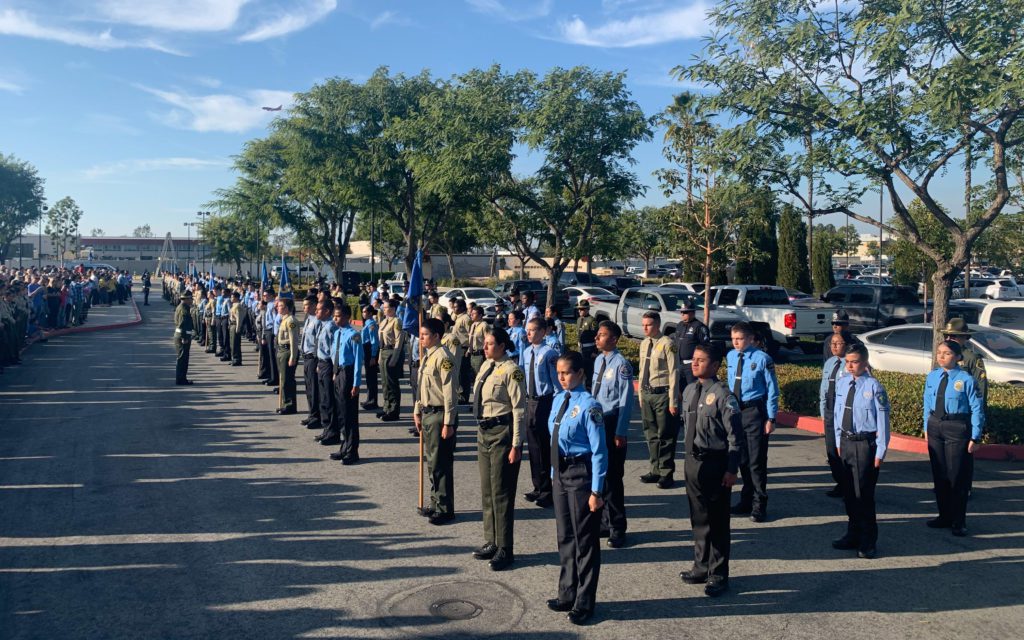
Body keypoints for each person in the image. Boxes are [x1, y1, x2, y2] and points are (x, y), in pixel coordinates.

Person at [546, 351, 608, 626]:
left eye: (567, 372)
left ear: (580, 373)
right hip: (560, 473)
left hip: (582, 475)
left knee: (585, 541)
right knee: (565, 537)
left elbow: (599, 451)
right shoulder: (559, 399)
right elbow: (554, 438)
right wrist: (552, 473)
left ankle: (584, 602)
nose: (561, 378)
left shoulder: (589, 405)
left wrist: (597, 491)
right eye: (558, 373)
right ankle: (567, 593)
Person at [680, 343, 743, 597]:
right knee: (699, 518)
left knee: (717, 521)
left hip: (717, 464)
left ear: (716, 366)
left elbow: (735, 438)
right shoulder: (688, 391)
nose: (695, 363)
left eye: (701, 360)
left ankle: (718, 573)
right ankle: (701, 565)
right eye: (693, 359)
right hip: (693, 463)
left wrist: (731, 469)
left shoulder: (724, 396)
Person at [472, 326, 526, 571]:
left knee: (501, 493)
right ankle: (491, 540)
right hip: (484, 431)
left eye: (490, 343)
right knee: (486, 490)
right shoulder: (486, 366)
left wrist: (516, 444)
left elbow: (519, 410)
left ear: (503, 346)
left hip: (502, 433)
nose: (485, 347)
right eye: (485, 343)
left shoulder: (512, 371)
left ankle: (506, 547)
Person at [832, 344, 890, 559]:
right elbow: (839, 414)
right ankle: (852, 534)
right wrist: (838, 440)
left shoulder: (874, 387)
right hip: (846, 442)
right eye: (847, 361)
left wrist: (880, 451)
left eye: (854, 362)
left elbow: (883, 421)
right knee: (848, 493)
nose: (850, 366)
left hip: (865, 445)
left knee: (863, 495)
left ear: (865, 363)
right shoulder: (843, 383)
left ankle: (868, 541)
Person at [923, 339, 985, 537]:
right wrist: (927, 425)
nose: (941, 356)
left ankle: (958, 520)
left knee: (956, 476)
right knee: (939, 474)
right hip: (935, 425)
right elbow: (927, 401)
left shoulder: (966, 380)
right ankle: (944, 516)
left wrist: (975, 436)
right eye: (939, 352)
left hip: (957, 427)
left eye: (947, 353)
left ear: (958, 357)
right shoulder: (932, 376)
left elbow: (977, 408)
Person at [726, 321, 780, 522]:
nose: (736, 343)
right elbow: (730, 382)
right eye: (733, 339)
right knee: (741, 459)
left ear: (750, 339)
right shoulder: (731, 356)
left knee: (756, 461)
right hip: (736, 411)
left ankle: (759, 504)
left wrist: (771, 417)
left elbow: (772, 389)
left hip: (755, 411)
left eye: (739, 339)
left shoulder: (763, 359)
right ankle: (746, 500)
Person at [591, 320, 634, 548]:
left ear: (614, 339)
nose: (597, 338)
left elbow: (626, 402)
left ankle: (618, 527)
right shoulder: (599, 360)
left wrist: (620, 431)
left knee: (614, 478)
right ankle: (606, 521)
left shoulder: (622, 365)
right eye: (597, 334)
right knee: (601, 474)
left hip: (612, 422)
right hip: (597, 422)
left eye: (603, 335)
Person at [414, 318, 459, 525]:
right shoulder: (428, 356)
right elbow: (422, 386)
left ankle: (445, 508)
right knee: (432, 463)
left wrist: (448, 423)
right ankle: (435, 503)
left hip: (440, 414)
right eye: (421, 334)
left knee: (440, 464)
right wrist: (417, 410)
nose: (421, 338)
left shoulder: (444, 357)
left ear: (436, 336)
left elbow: (450, 394)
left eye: (425, 335)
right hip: (428, 412)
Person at [638, 311, 680, 489]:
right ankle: (654, 470)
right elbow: (641, 370)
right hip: (647, 394)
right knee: (651, 434)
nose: (645, 328)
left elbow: (674, 372)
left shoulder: (667, 344)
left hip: (663, 395)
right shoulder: (644, 344)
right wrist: (640, 394)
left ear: (657, 325)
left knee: (666, 435)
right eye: (643, 325)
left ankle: (666, 473)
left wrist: (673, 400)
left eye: (648, 324)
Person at [521, 317, 560, 508]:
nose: (528, 333)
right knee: (533, 448)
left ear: (543, 332)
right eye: (527, 330)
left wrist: (558, 409)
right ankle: (537, 486)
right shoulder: (527, 352)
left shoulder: (550, 353)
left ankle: (548, 490)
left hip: (545, 403)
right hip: (530, 401)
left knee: (544, 448)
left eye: (533, 330)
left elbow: (557, 384)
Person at [819, 331, 853, 498]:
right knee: (831, 451)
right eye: (832, 343)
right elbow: (823, 389)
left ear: (846, 345)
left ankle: (849, 484)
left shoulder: (851, 364)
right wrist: (822, 411)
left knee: (843, 451)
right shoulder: (830, 363)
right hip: (829, 411)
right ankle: (840, 482)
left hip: (843, 413)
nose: (834, 346)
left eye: (838, 343)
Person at [329, 304, 364, 463]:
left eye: (338, 316)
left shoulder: (354, 335)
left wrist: (356, 384)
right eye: (334, 316)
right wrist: (335, 372)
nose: (335, 319)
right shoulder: (338, 333)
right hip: (339, 373)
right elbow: (334, 354)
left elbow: (358, 361)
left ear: (347, 317)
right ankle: (344, 447)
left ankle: (352, 451)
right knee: (341, 414)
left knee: (349, 415)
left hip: (349, 374)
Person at [312, 299, 339, 444]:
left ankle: (333, 432)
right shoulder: (323, 325)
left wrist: (335, 370)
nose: (316, 311)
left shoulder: (330, 327)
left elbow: (334, 351)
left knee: (329, 400)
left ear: (327, 311)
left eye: (319, 309)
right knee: (323, 399)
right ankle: (326, 429)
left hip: (328, 365)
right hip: (322, 364)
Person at [673, 299, 710, 389]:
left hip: (691, 365)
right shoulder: (679, 325)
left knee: (693, 390)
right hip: (679, 365)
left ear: (692, 313)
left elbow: (705, 347)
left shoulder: (699, 327)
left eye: (685, 312)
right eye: (681, 312)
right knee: (679, 391)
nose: (682, 314)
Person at [378, 299, 404, 421]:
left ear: (393, 308)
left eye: (386, 307)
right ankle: (386, 407)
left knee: (392, 383)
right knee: (384, 383)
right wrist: (379, 356)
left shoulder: (396, 321)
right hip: (383, 352)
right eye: (383, 307)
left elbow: (399, 341)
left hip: (391, 352)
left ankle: (394, 410)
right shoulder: (384, 321)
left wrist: (395, 357)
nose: (384, 309)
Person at [300, 296, 323, 429]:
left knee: (315, 389)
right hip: (306, 357)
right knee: (309, 388)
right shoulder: (309, 318)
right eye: (303, 305)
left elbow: (319, 342)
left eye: (307, 305)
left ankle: (317, 417)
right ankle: (311, 413)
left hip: (314, 358)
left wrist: (318, 360)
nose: (304, 308)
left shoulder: (318, 321)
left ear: (315, 305)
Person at [275, 297, 299, 415]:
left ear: (287, 308)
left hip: (287, 351)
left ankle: (290, 405)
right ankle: (285, 403)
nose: (278, 308)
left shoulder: (291, 321)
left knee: (287, 380)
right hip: (281, 350)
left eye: (281, 306)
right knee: (282, 379)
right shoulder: (283, 319)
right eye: (278, 306)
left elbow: (293, 340)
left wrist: (293, 357)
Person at [450, 298, 473, 404]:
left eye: (456, 307)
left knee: (463, 374)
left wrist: (470, 348)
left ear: (462, 307)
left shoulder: (466, 318)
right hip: (457, 349)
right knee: (458, 373)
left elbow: (471, 334)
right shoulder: (457, 317)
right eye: (453, 306)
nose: (454, 308)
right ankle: (459, 393)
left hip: (464, 349)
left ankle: (464, 396)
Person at [360, 305, 380, 410]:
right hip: (366, 351)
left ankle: (373, 401)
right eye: (363, 312)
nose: (363, 314)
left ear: (370, 313)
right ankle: (369, 399)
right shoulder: (367, 323)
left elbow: (374, 342)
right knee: (368, 377)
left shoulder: (371, 324)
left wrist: (373, 356)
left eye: (365, 312)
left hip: (370, 351)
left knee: (372, 377)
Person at [173, 291, 195, 386]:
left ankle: (182, 378)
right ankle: (181, 379)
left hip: (182, 335)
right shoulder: (183, 309)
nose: (191, 300)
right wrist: (184, 337)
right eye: (190, 298)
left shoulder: (182, 307)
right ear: (186, 299)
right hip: (183, 336)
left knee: (183, 358)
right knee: (182, 359)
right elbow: (182, 324)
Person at [576, 301, 598, 388]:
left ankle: (590, 389)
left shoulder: (592, 321)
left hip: (589, 351)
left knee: (589, 372)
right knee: (580, 372)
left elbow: (596, 337)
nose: (580, 311)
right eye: (579, 309)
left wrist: (595, 351)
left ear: (587, 309)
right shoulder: (578, 320)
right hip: (581, 349)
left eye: (582, 309)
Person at [260, 290, 279, 387]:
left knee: (272, 356)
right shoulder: (268, 305)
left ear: (271, 296)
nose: (264, 297)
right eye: (263, 295)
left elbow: (275, 320)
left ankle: (275, 378)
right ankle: (271, 376)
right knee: (268, 355)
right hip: (267, 330)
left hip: (271, 330)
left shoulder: (272, 306)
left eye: (266, 295)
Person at [468, 305, 488, 380]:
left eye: (474, 313)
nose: (471, 315)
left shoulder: (484, 325)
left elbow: (487, 340)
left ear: (480, 315)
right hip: (472, 354)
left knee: (480, 376)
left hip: (480, 354)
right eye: (471, 313)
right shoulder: (473, 325)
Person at [229, 291, 243, 366]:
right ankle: (233, 358)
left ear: (237, 298)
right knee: (232, 343)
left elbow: (239, 318)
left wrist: (238, 327)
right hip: (232, 324)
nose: (231, 298)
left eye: (232, 297)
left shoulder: (238, 306)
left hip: (235, 325)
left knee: (235, 343)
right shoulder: (234, 305)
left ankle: (236, 359)